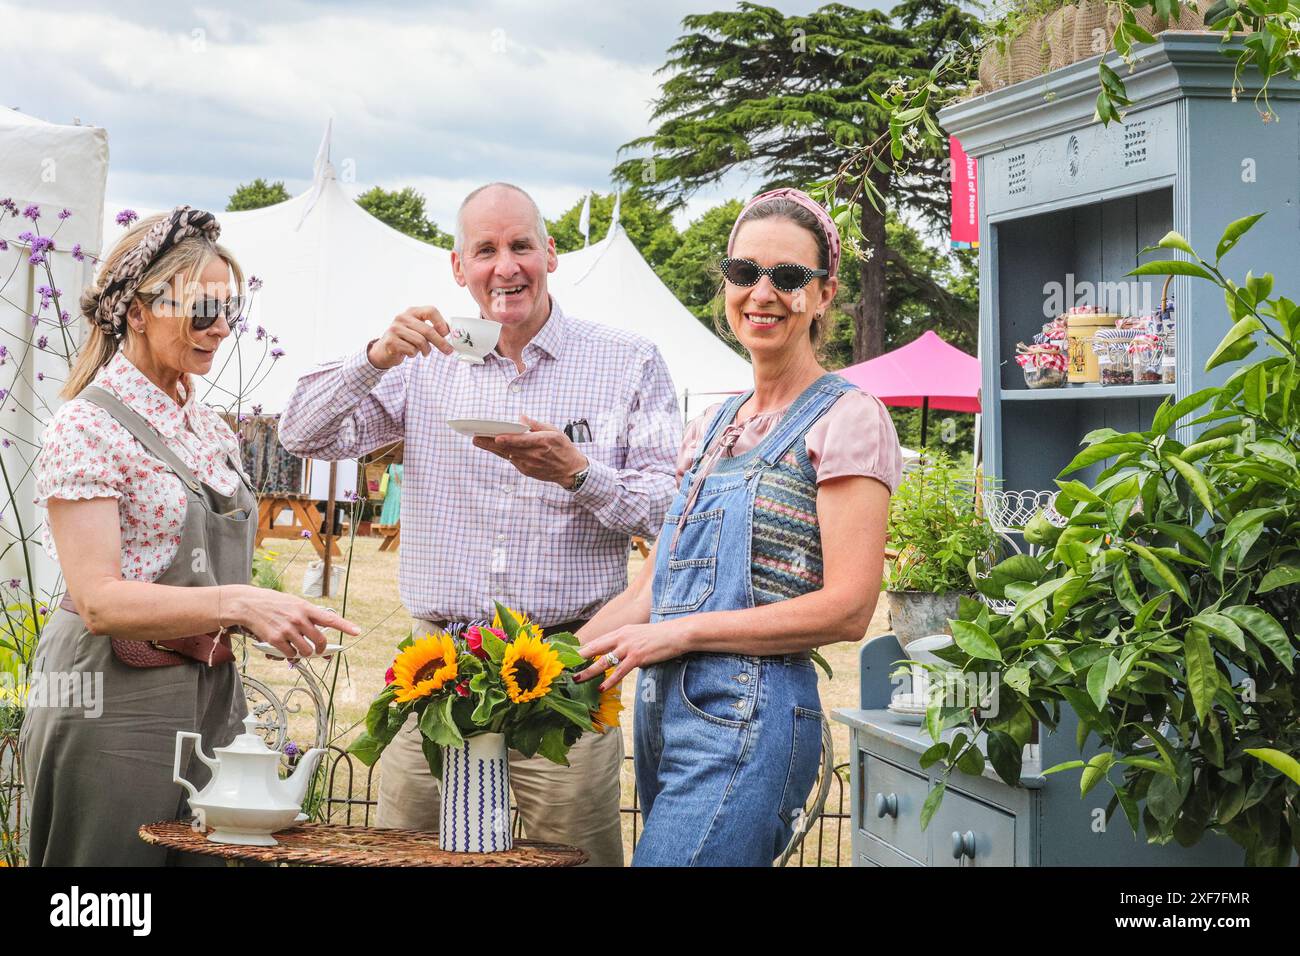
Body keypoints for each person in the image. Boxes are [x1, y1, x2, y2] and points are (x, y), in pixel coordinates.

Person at [278, 182, 680, 866]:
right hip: (440, 668)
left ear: (551, 254)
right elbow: (301, 433)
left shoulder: (628, 360)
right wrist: (375, 355)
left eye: (521, 245)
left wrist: (576, 473)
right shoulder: (425, 363)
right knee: (406, 854)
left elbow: (670, 509)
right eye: (485, 250)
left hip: (570, 667)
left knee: (569, 856)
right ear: (458, 268)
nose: (506, 266)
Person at [20, 206, 358, 866]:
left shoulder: (210, 429)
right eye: (203, 309)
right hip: (111, 698)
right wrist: (241, 602)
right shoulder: (87, 426)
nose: (222, 329)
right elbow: (100, 602)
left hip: (210, 695)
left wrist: (261, 612)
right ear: (137, 310)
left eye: (229, 310)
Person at [574, 188, 902, 866]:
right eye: (744, 272)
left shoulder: (848, 418)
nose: (763, 292)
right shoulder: (710, 427)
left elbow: (849, 608)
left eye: (788, 277)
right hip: (666, 713)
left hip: (755, 718)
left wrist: (681, 632)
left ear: (823, 293)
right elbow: (651, 593)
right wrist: (534, 665)